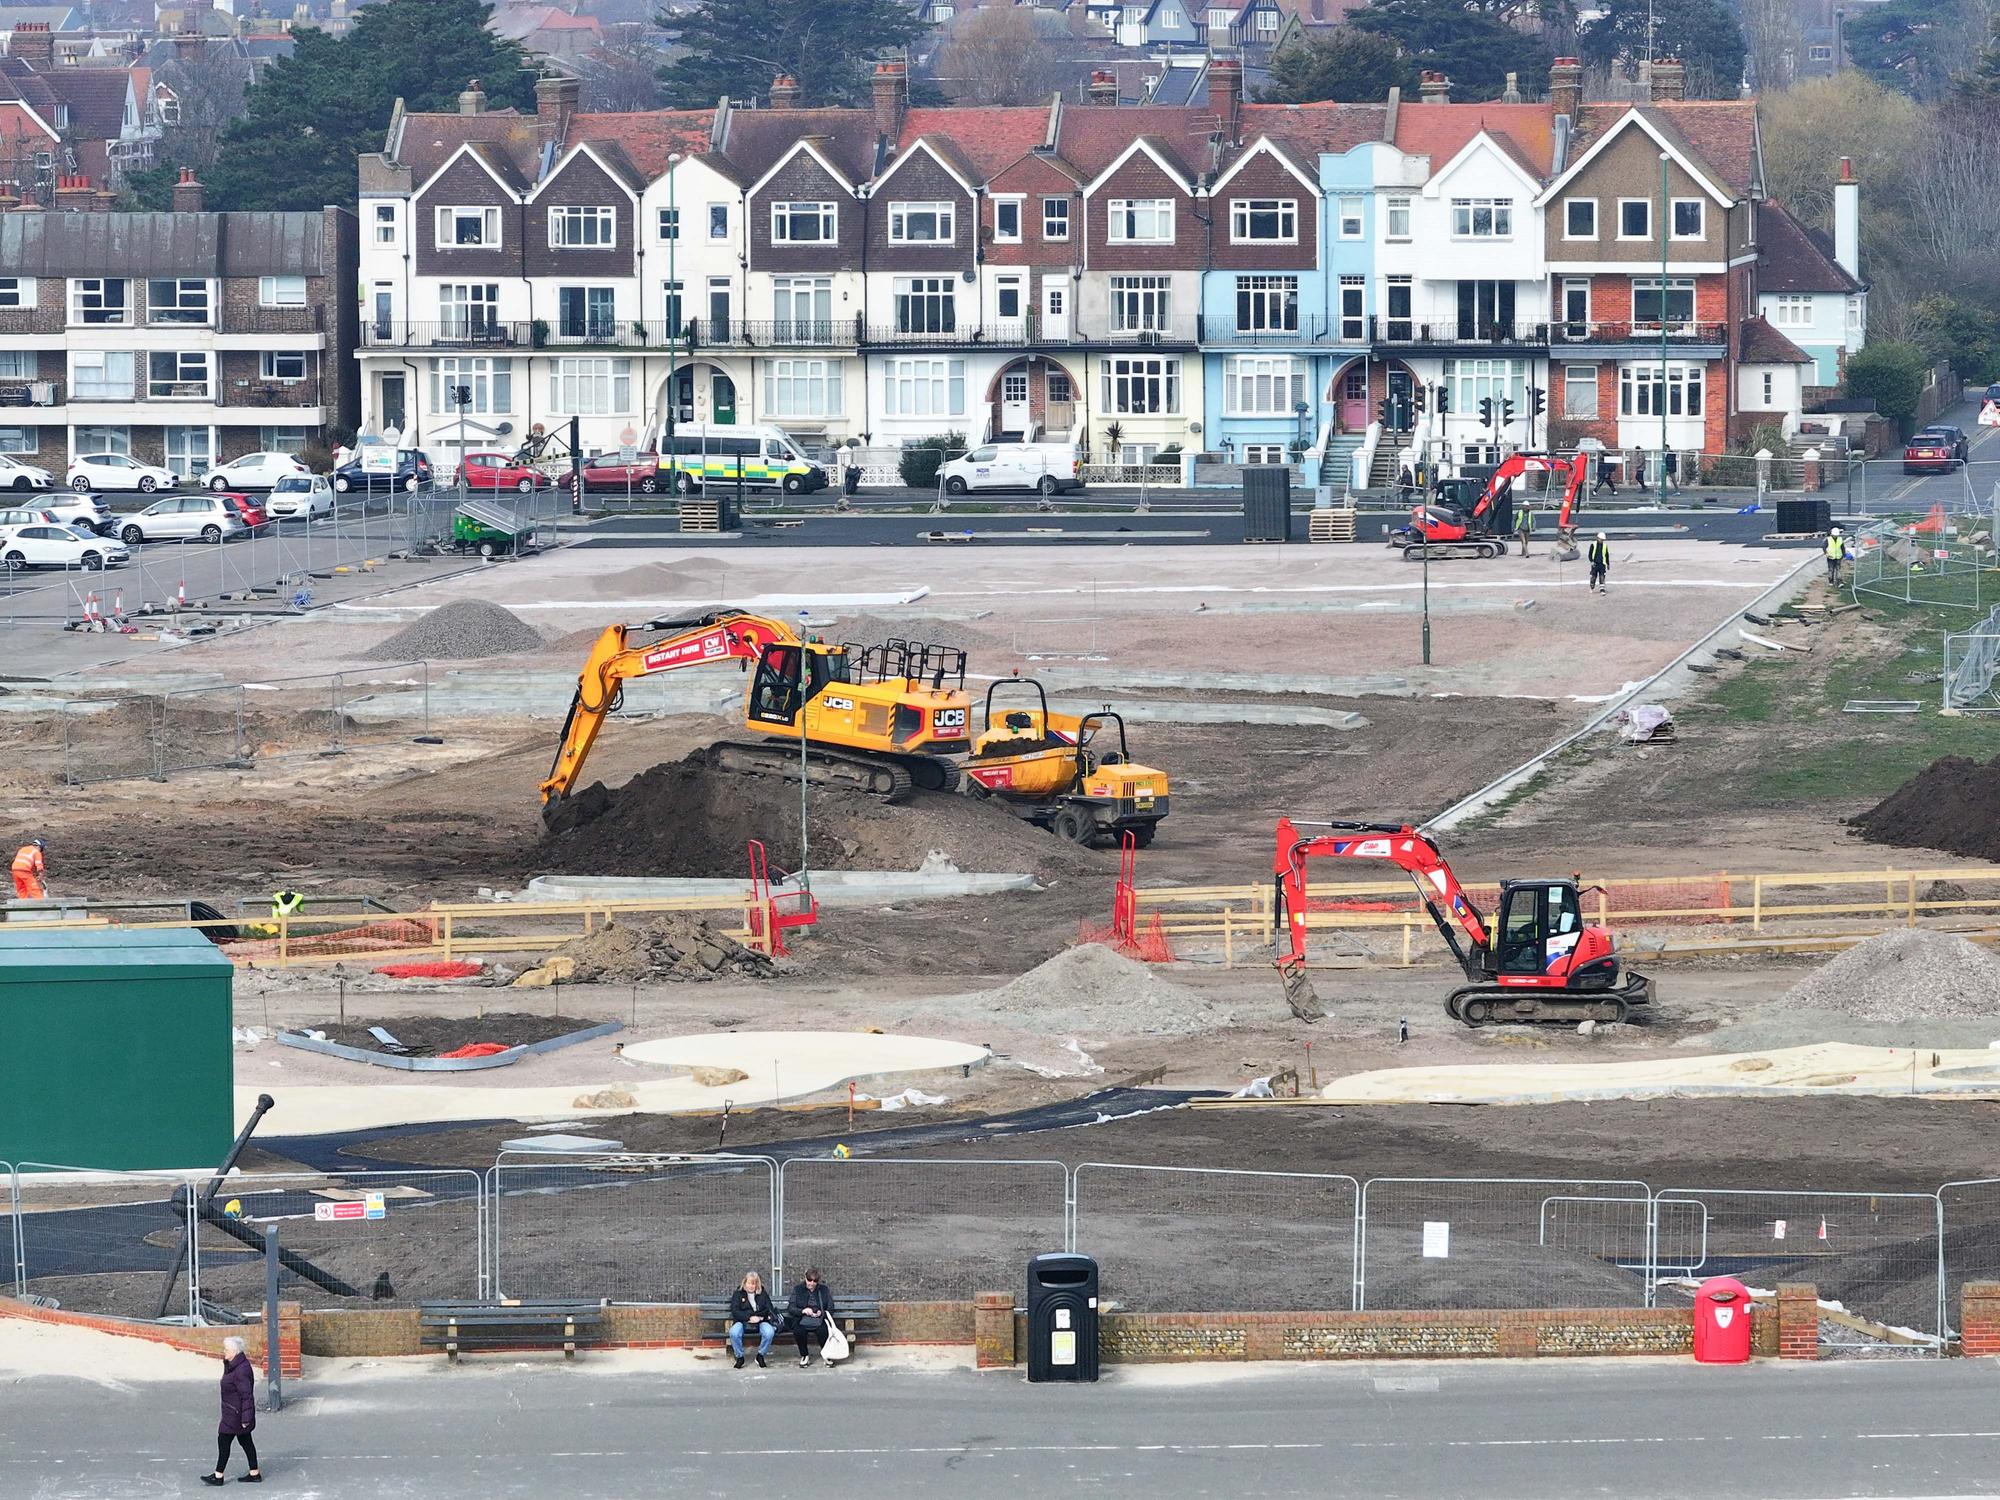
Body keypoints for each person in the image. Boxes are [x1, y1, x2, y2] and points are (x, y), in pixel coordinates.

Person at [202, 1336, 261, 1486]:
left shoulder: (240, 1370)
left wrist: (245, 1419)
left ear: (234, 1351)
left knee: (223, 1440)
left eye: (226, 1349)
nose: (224, 1352)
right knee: (246, 1441)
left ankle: (218, 1476)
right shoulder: (234, 1365)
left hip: (235, 1414)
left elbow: (246, 1395)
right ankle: (254, 1473)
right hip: (234, 1411)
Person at [785, 1268, 838, 1367]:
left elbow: (830, 1307)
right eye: (809, 1280)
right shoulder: (798, 1289)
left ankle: (826, 1354)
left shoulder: (823, 1290)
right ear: (805, 1278)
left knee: (823, 1331)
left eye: (815, 1281)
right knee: (798, 1331)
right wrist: (803, 1311)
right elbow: (791, 1308)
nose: (812, 1283)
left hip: (819, 1319)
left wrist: (821, 1313)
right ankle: (804, 1355)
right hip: (802, 1318)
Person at [727, 1271, 776, 1368]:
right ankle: (740, 1357)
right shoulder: (738, 1293)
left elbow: (769, 1308)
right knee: (734, 1332)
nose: (751, 1286)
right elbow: (735, 1311)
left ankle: (760, 1355)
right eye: (749, 1283)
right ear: (744, 1283)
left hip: (760, 1321)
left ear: (757, 1284)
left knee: (769, 1332)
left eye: (753, 1284)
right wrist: (749, 1317)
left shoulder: (762, 1293)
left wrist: (760, 1317)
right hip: (742, 1321)